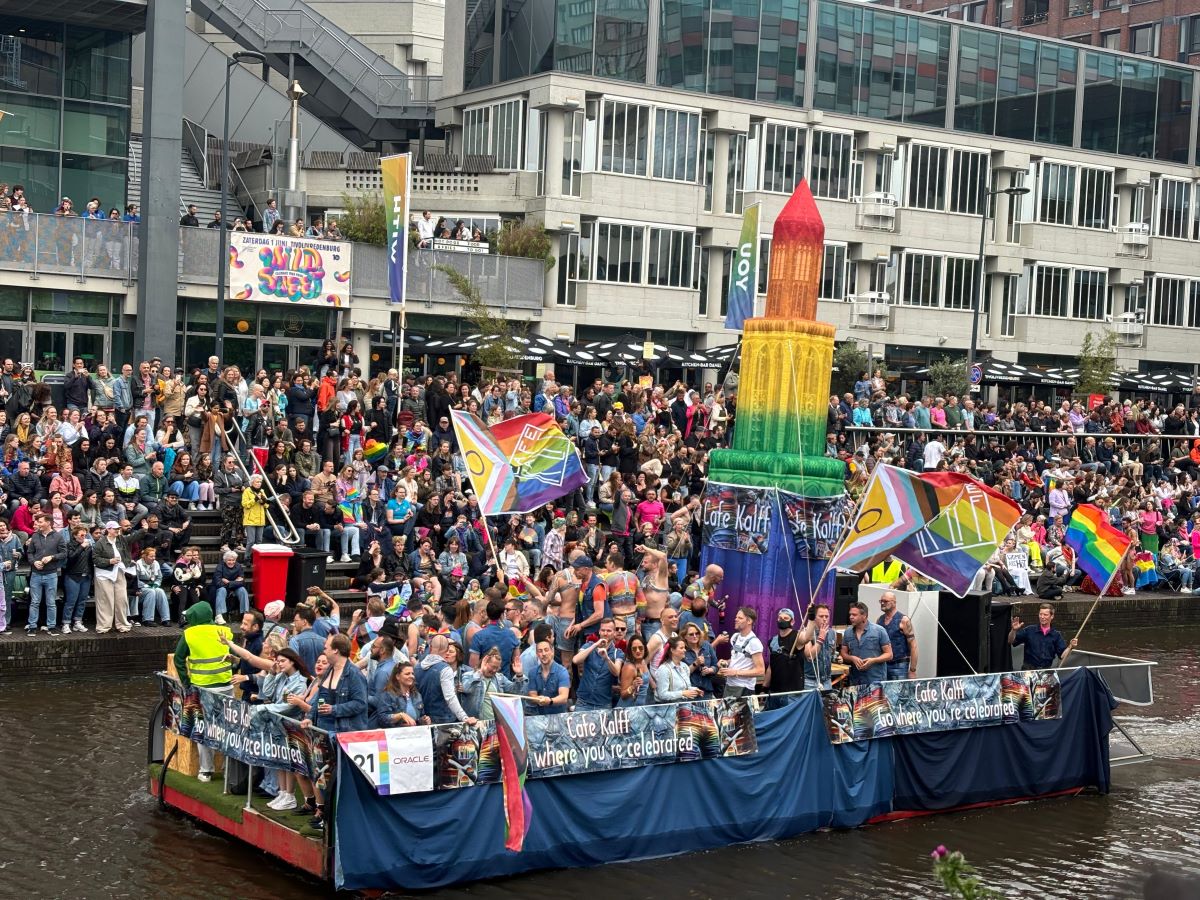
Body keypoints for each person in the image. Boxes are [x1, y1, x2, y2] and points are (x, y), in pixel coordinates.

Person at [172, 600, 234, 782]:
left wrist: (186, 682)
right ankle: (227, 770)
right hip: (226, 686)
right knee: (226, 727)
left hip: (202, 688)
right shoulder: (225, 631)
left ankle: (206, 770)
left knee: (203, 728)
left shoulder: (189, 634)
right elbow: (234, 655)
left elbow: (178, 659)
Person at [415, 634, 477, 725]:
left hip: (423, 720)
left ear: (431, 648)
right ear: (447, 650)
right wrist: (464, 717)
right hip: (442, 722)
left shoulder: (417, 667)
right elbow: (450, 697)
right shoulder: (445, 669)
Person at [25, 513, 67, 635]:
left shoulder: (58, 536)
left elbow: (64, 553)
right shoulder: (35, 536)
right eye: (37, 522)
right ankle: (32, 626)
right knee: (34, 602)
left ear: (48, 522)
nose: (38, 524)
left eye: (40, 522)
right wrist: (34, 562)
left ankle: (51, 626)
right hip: (36, 574)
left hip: (51, 574)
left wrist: (52, 557)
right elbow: (30, 553)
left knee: (51, 602)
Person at [572, 617, 624, 710]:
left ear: (614, 633)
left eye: (609, 631)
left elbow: (616, 672)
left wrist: (607, 658)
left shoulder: (618, 652)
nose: (605, 633)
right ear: (599, 631)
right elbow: (576, 660)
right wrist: (595, 645)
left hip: (603, 704)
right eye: (603, 630)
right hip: (583, 702)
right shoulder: (589, 645)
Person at [1008, 603, 1077, 669]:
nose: (1042, 617)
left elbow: (1062, 656)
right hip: (1028, 671)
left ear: (1052, 616)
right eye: (1040, 614)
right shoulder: (1029, 630)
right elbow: (1010, 641)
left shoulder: (1056, 635)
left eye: (1045, 615)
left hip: (1046, 671)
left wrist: (1070, 647)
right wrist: (1013, 630)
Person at [93, 520, 132, 633]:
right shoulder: (100, 543)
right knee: (105, 600)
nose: (117, 530)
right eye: (115, 529)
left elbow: (133, 538)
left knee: (122, 599)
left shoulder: (120, 540)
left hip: (119, 571)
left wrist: (144, 530)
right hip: (104, 574)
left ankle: (122, 624)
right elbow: (95, 559)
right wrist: (109, 561)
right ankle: (104, 626)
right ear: (108, 530)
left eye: (118, 529)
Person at [841, 601, 892, 686]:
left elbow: (889, 654)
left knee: (875, 700)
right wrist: (852, 658)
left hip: (875, 680)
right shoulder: (848, 632)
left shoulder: (879, 630)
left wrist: (873, 660)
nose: (851, 617)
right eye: (850, 614)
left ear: (864, 616)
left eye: (854, 615)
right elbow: (843, 653)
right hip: (855, 680)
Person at [468, 595, 521, 677]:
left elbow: (473, 665)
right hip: (504, 683)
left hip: (484, 682)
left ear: (488, 614)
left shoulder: (479, 636)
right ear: (502, 615)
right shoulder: (511, 635)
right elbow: (517, 661)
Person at [717, 606, 765, 698]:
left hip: (744, 689)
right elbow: (737, 659)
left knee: (736, 713)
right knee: (725, 713)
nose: (736, 619)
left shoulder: (754, 642)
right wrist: (725, 662)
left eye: (740, 618)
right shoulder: (735, 637)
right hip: (729, 685)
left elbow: (760, 670)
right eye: (736, 617)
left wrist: (735, 672)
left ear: (749, 621)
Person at [373, 661, 429, 728]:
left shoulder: (417, 695)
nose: (411, 676)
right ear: (398, 676)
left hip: (415, 735)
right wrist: (400, 716)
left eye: (412, 673)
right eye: (407, 674)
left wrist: (423, 720)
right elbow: (382, 719)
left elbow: (418, 718)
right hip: (396, 736)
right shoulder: (387, 694)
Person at [877, 590, 919, 680]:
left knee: (899, 692)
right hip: (883, 664)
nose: (882, 603)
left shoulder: (903, 620)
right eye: (881, 601)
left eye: (886, 601)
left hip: (899, 664)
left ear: (894, 603)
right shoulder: (880, 620)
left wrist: (912, 670)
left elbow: (913, 646)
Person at [765, 608, 806, 693]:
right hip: (774, 691)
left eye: (786, 618)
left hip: (792, 693)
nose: (782, 620)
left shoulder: (797, 637)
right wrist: (765, 687)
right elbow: (770, 666)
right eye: (780, 618)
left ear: (792, 621)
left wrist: (811, 618)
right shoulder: (772, 641)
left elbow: (808, 637)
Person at [526, 638, 570, 714]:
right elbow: (532, 694)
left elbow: (564, 697)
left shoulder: (562, 671)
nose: (543, 654)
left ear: (552, 652)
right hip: (540, 717)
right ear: (537, 654)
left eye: (546, 650)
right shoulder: (532, 672)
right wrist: (537, 699)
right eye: (540, 651)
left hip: (558, 716)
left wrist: (550, 701)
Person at [654, 637, 703, 701]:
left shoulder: (684, 666)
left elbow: (685, 688)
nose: (685, 650)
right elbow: (662, 695)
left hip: (684, 706)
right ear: (672, 650)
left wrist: (694, 690)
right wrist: (682, 693)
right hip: (668, 709)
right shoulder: (664, 669)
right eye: (681, 648)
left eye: (684, 648)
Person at [804, 604, 837, 691]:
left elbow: (831, 654)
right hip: (810, 681)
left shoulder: (832, 633)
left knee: (826, 705)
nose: (825, 619)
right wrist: (821, 638)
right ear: (814, 617)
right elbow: (809, 656)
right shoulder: (806, 633)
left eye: (827, 616)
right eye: (821, 616)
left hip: (827, 680)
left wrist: (837, 658)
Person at [211, 550, 248, 625]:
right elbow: (218, 582)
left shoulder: (238, 566)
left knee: (242, 590)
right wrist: (235, 582)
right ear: (225, 560)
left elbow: (242, 582)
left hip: (233, 586)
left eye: (233, 560)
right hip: (222, 587)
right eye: (229, 560)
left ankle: (245, 613)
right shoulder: (220, 566)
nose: (231, 562)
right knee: (221, 590)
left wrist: (229, 582)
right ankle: (219, 615)